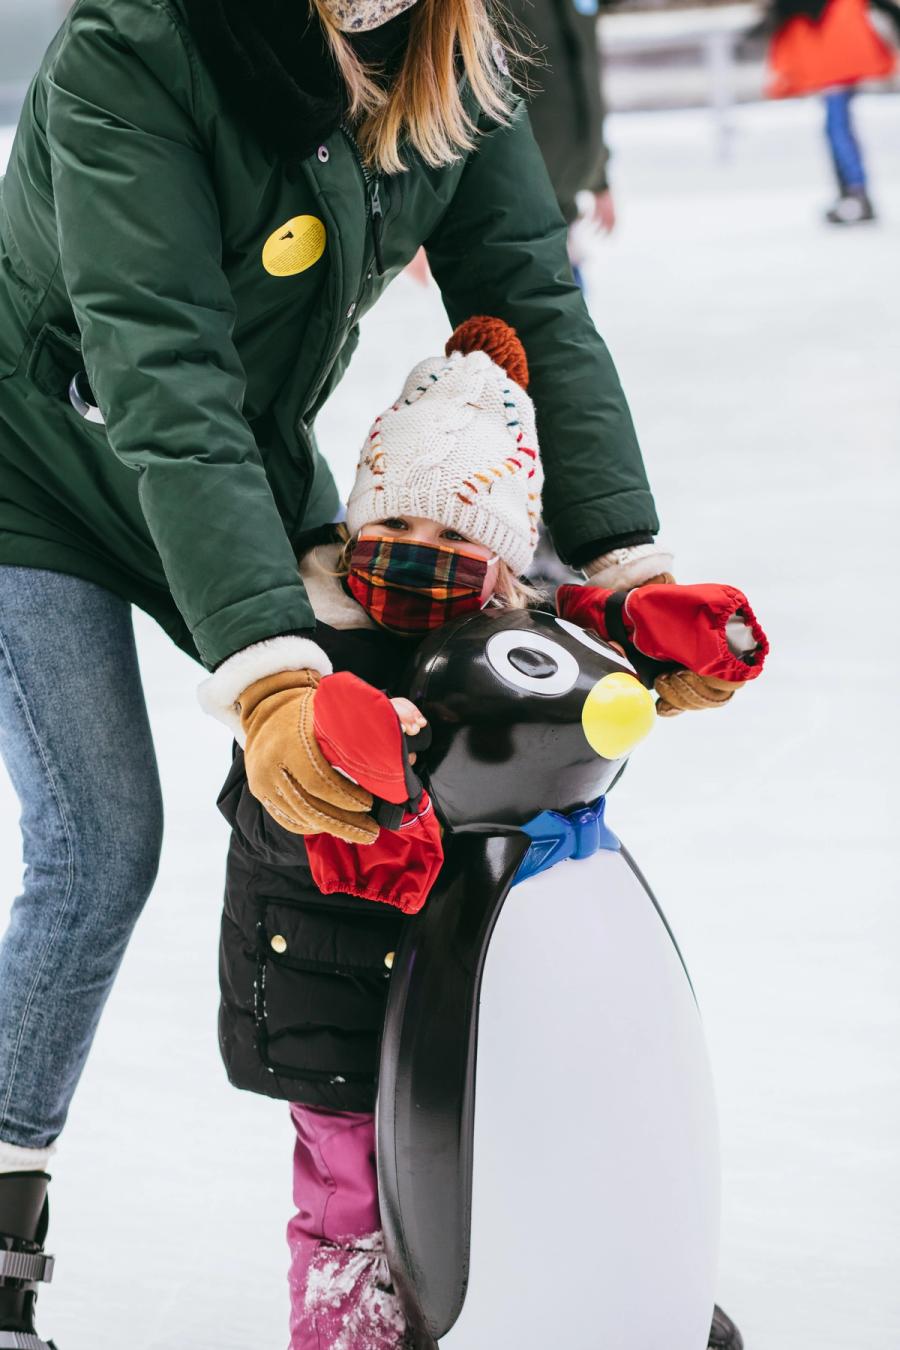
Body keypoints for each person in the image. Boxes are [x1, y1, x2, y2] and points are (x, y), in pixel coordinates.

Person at [0, 0, 719, 1342]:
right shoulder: (140, 48)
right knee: (102, 841)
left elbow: (527, 295)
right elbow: (161, 365)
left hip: (237, 462)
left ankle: (438, 1190)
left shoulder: (455, 39)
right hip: (28, 465)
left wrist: (624, 563)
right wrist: (270, 675)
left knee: (401, 748)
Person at [207, 316, 758, 1348]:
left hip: (481, 984)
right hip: (325, 982)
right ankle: (347, 1327)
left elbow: (577, 714)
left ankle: (573, 1297)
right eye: (397, 531)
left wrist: (657, 653)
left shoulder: (512, 634)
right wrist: (356, 781)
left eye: (456, 538)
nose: (420, 557)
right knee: (353, 1190)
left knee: (506, 1151)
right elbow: (262, 813)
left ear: (499, 560)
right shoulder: (310, 652)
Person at [510, 0, 617, 286]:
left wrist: (599, 177)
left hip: (564, 211)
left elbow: (584, 79)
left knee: (568, 319)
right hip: (515, 215)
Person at [766, 0, 896, 222]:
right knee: (836, 128)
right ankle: (851, 193)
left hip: (835, 61)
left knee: (838, 129)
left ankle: (856, 193)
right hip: (835, 60)